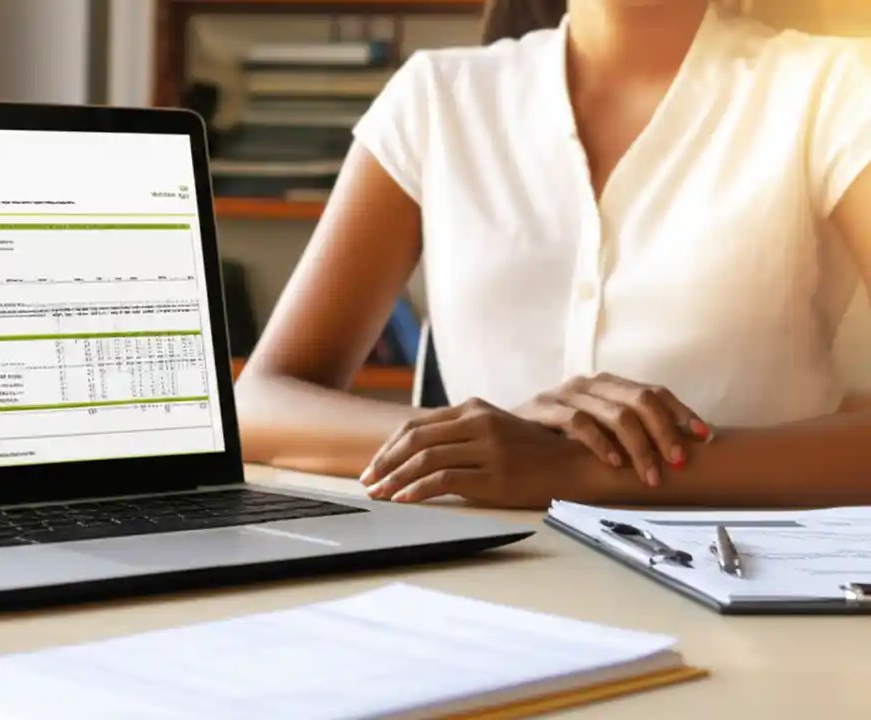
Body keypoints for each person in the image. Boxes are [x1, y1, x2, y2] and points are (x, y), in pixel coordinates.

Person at [235, 0, 871, 509]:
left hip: (758, 596)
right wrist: (477, 443)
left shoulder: (837, 90)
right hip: (487, 583)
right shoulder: (437, 97)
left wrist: (577, 469)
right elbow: (258, 404)